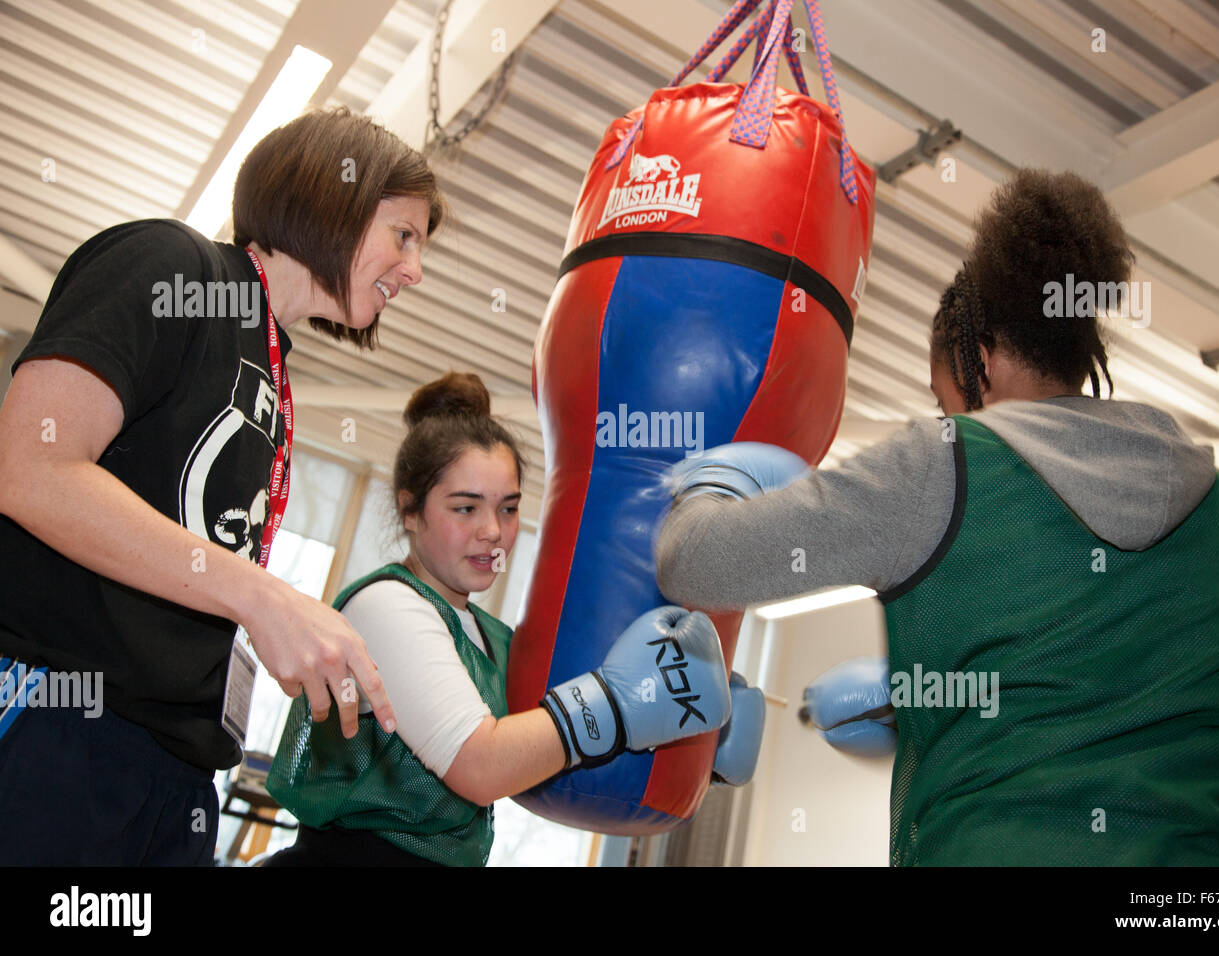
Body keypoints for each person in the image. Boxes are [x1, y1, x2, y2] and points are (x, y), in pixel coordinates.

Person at [655, 168, 1219, 866]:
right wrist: (945, 695)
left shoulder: (945, 463)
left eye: (945, 399)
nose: (947, 419)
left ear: (979, 363)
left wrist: (710, 474)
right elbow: (1137, 687)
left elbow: (692, 561)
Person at [0, 106, 434, 865]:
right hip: (58, 723)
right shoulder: (174, 263)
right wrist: (261, 596)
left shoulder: (270, 360)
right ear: (332, 196)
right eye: (404, 235)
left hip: (176, 770)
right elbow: (29, 467)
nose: (415, 271)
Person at [263, 372, 731, 866]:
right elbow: (482, 766)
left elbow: (541, 756)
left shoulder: (490, 639)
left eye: (508, 509)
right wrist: (617, 701)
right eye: (465, 508)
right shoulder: (386, 608)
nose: (493, 531)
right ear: (409, 510)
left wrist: (691, 740)